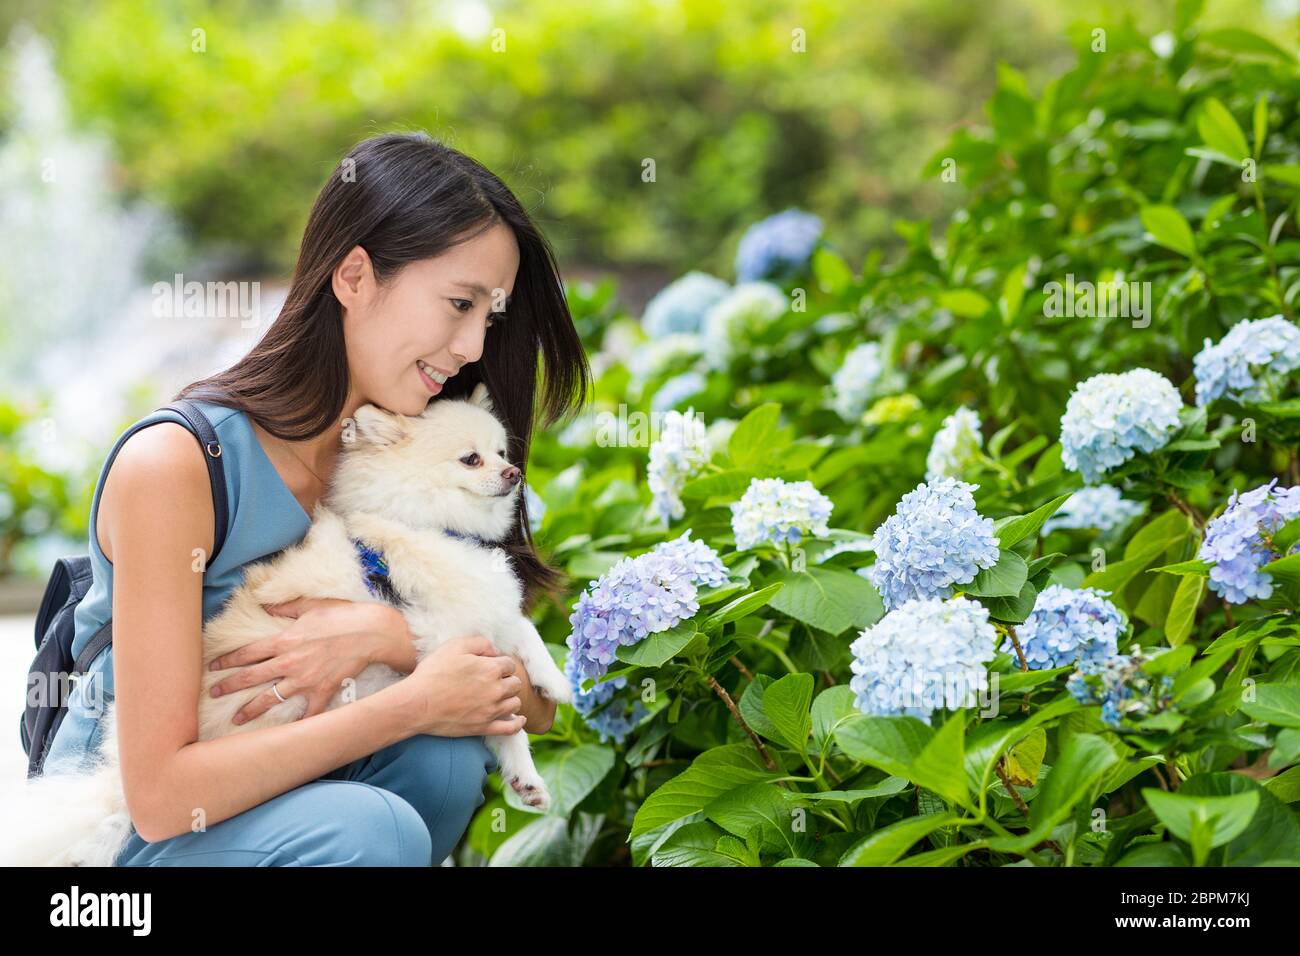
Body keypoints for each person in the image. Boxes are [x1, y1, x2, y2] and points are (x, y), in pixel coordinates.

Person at [39, 131, 591, 865]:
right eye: (458, 304)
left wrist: (390, 640)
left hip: (284, 801)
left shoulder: (413, 456)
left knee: (443, 762)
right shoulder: (176, 466)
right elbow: (163, 797)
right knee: (374, 823)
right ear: (355, 276)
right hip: (122, 838)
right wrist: (410, 701)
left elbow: (537, 706)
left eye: (488, 319)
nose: (471, 347)